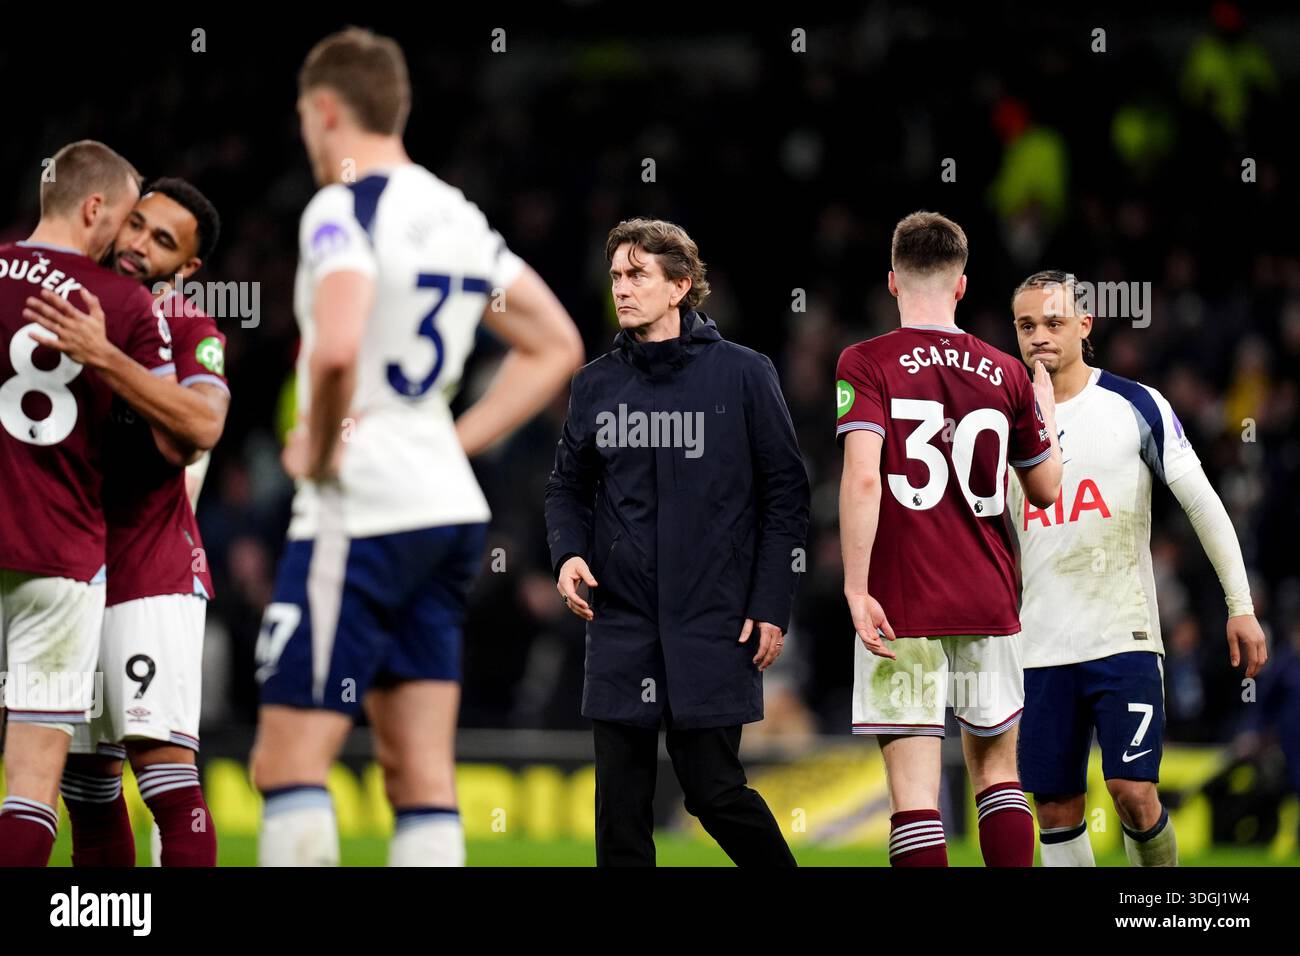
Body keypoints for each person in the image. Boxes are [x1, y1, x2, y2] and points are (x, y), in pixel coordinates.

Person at [249, 27, 583, 867]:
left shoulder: (342, 205)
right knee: (422, 774)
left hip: (358, 510)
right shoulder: (455, 213)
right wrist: (450, 440)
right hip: (443, 513)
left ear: (325, 109)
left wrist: (319, 449)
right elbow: (556, 344)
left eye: (302, 117)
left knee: (285, 764)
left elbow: (334, 346)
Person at [546, 217, 809, 866]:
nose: (622, 289)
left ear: (680, 286)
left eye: (638, 275)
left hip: (713, 622)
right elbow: (566, 489)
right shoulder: (596, 384)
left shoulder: (745, 375)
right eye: (616, 276)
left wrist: (771, 604)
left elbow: (786, 496)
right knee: (620, 814)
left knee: (714, 792)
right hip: (622, 621)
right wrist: (569, 552)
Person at [1008, 270, 1267, 866]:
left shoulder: (1137, 404)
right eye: (1027, 326)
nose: (1039, 336)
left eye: (1053, 322)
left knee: (1132, 792)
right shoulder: (1004, 421)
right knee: (1055, 808)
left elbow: (1203, 502)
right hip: (1039, 648)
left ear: (1084, 325)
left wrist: (1241, 606)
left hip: (1122, 634)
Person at [836, 211, 1061, 867]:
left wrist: (855, 587)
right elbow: (1046, 489)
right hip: (989, 599)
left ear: (892, 281)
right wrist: (1047, 419)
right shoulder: (1005, 372)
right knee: (999, 778)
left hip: (900, 603)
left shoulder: (866, 361)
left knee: (914, 796)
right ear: (961, 286)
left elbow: (862, 480)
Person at [26, 178, 230, 866]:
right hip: (67, 573)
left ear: (189, 269)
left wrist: (104, 355)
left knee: (167, 780)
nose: (139, 245)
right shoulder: (60, 301)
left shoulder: (193, 327)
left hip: (150, 572)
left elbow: (204, 423)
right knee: (86, 788)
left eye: (163, 241)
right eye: (136, 225)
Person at [0, 140, 173, 866]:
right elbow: (182, 433)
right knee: (34, 781)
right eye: (125, 221)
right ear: (94, 206)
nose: (126, 243)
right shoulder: (123, 301)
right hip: (58, 556)